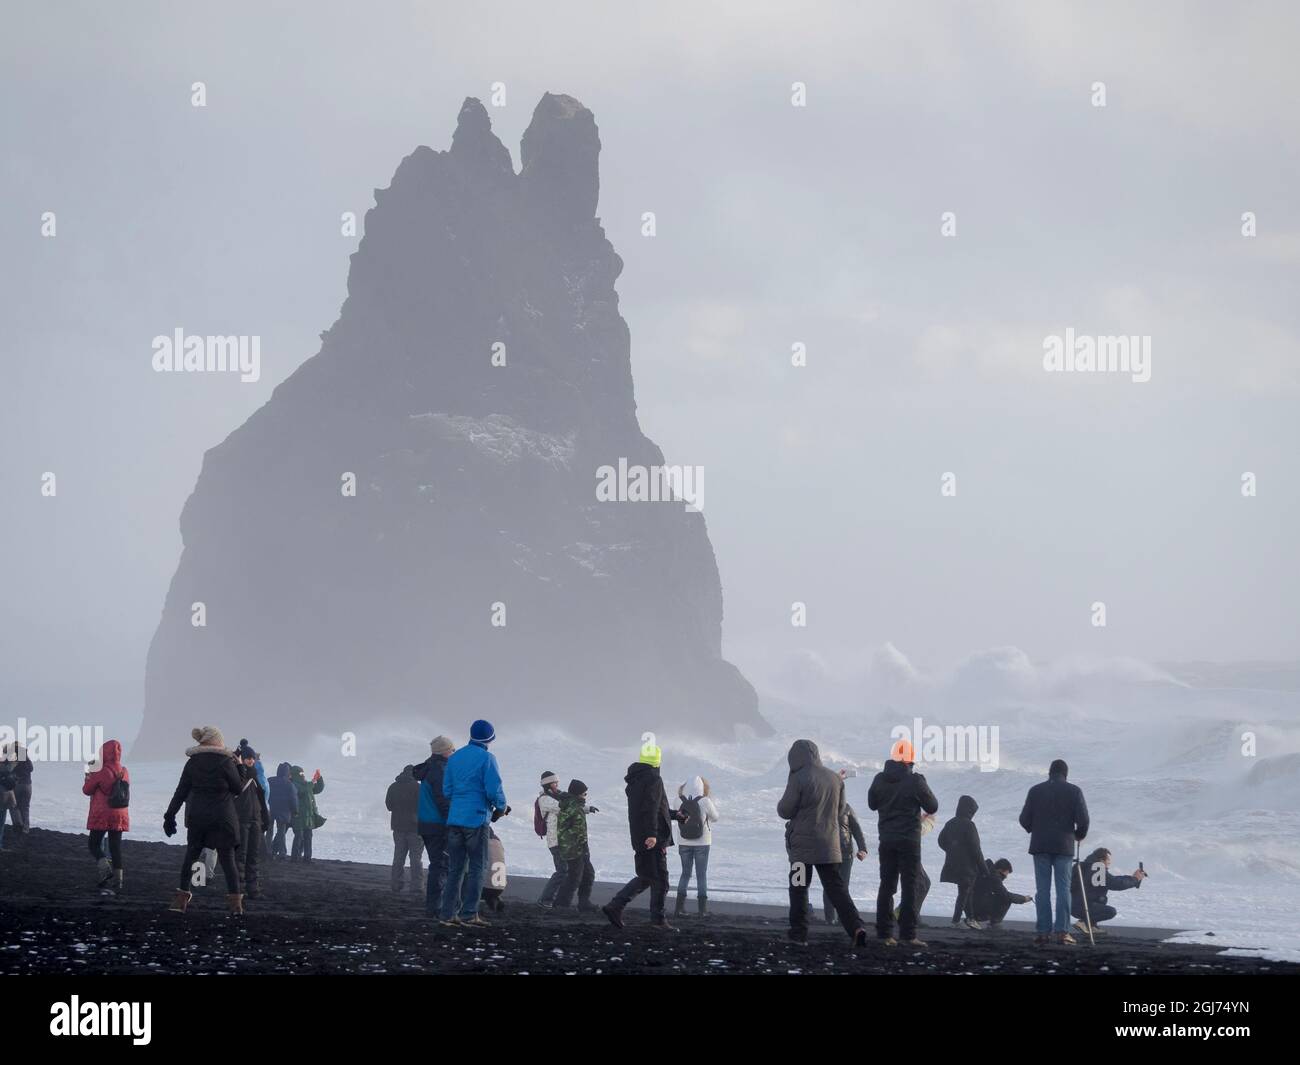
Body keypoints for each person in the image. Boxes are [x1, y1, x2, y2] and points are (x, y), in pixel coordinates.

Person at [778, 739, 869, 947]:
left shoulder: (799, 777)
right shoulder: (835, 779)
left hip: (802, 851)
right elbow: (840, 811)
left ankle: (799, 935)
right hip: (829, 847)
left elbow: (785, 810)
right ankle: (856, 927)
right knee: (837, 889)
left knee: (799, 887)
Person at [602, 742, 687, 930]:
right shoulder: (653, 779)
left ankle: (619, 907)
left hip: (640, 835)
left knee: (648, 876)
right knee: (659, 879)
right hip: (652, 838)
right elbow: (650, 808)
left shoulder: (636, 779)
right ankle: (652, 918)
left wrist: (675, 815)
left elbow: (655, 807)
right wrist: (652, 835)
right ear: (657, 761)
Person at [163, 727, 243, 915]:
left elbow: (181, 792)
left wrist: (170, 815)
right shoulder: (226, 762)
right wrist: (240, 766)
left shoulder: (192, 763)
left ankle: (180, 902)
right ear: (218, 741)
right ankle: (236, 906)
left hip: (198, 817)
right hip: (222, 818)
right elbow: (238, 788)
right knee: (227, 860)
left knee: (191, 857)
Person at [867, 739, 938, 946]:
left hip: (887, 839)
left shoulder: (879, 779)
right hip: (909, 841)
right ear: (910, 761)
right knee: (909, 887)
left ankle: (884, 934)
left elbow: (872, 804)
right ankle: (908, 935)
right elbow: (932, 806)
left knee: (887, 886)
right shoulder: (915, 780)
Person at [439, 720, 508, 927]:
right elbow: (493, 789)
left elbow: (447, 791)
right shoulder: (488, 758)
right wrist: (501, 807)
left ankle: (447, 914)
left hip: (455, 819)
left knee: (456, 868)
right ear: (489, 739)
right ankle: (469, 913)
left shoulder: (455, 757)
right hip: (476, 819)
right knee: (478, 867)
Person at [1018, 758, 1090, 946]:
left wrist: (1036, 829)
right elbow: (1083, 820)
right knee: (1063, 890)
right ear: (1066, 774)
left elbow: (1024, 819)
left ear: (1049, 772)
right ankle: (1062, 932)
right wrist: (1079, 835)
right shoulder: (1074, 791)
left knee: (1042, 890)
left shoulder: (1035, 791)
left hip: (1040, 845)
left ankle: (1043, 932)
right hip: (1064, 846)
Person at [82, 739, 129, 893]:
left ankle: (105, 869)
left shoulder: (102, 771)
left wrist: (89, 776)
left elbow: (87, 790)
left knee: (94, 844)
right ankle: (119, 881)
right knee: (115, 847)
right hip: (120, 812)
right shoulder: (124, 771)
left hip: (103, 812)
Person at [414, 736, 454, 918]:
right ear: (444, 751)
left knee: (438, 865)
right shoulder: (439, 770)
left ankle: (434, 905)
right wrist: (452, 823)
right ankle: (435, 907)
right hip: (438, 825)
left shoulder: (430, 768)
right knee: (441, 866)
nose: (453, 753)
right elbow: (443, 801)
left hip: (427, 825)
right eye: (451, 750)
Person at [822, 770, 866, 926]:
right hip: (827, 853)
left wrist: (863, 849)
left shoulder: (847, 808)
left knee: (843, 887)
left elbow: (857, 830)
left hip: (846, 853)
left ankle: (843, 918)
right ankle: (829, 918)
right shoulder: (822, 808)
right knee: (829, 886)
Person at [1071, 847, 1145, 935]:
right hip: (1083, 907)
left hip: (1073, 905)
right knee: (1110, 911)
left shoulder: (1082, 866)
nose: (1109, 862)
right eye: (1108, 859)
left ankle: (1090, 925)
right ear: (1101, 860)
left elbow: (1111, 879)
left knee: (1098, 897)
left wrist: (1132, 878)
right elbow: (1115, 884)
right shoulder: (1097, 869)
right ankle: (1083, 923)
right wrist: (1135, 879)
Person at [938, 794, 986, 929]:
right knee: (964, 892)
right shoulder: (970, 825)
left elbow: (941, 841)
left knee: (966, 891)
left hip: (953, 863)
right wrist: (984, 869)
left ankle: (970, 919)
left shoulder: (950, 823)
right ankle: (956, 921)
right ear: (969, 811)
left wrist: (952, 850)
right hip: (967, 866)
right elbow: (976, 849)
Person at [675, 775, 719, 918]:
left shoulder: (677, 801)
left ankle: (679, 908)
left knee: (685, 873)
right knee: (701, 875)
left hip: (683, 842)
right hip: (702, 842)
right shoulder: (705, 801)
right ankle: (702, 910)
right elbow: (715, 817)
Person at [551, 779, 597, 914]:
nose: (585, 796)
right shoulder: (573, 807)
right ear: (578, 794)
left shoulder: (573, 805)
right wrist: (580, 846)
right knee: (574, 877)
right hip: (574, 849)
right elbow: (569, 830)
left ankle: (584, 903)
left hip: (578, 847)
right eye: (584, 794)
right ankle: (561, 904)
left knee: (588, 874)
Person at [234, 741, 271, 899]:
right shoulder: (237, 774)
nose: (250, 760)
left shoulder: (256, 776)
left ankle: (253, 890)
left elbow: (262, 799)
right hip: (241, 820)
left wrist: (265, 818)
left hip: (255, 820)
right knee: (240, 856)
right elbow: (234, 790)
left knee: (253, 856)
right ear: (242, 759)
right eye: (247, 757)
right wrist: (239, 766)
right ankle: (239, 890)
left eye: (252, 758)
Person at [386, 763, 424, 895]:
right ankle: (416, 886)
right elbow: (423, 807)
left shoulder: (393, 787)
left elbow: (389, 806)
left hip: (398, 826)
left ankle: (396, 884)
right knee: (416, 858)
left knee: (398, 856)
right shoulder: (418, 788)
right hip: (415, 828)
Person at [534, 771, 567, 907]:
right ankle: (545, 899)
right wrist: (585, 808)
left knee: (565, 870)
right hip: (555, 840)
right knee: (562, 870)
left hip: (561, 839)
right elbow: (564, 808)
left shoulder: (556, 796)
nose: (557, 784)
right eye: (554, 782)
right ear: (548, 784)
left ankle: (554, 899)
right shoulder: (545, 800)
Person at [971, 858, 1033, 926]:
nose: (1006, 877)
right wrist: (1023, 899)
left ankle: (974, 917)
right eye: (1006, 874)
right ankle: (994, 922)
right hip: (977, 908)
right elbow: (1005, 895)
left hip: (969, 905)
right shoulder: (993, 877)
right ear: (1000, 870)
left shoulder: (984, 870)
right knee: (1006, 900)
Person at [289, 765, 325, 861]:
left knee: (308, 837)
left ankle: (307, 858)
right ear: (295, 775)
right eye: (300, 773)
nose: (303, 775)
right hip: (298, 816)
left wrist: (319, 778)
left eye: (303, 773)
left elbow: (318, 789)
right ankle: (294, 858)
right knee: (299, 837)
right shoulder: (293, 785)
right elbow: (301, 791)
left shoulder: (306, 784)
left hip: (308, 816)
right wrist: (313, 781)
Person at [267, 762, 298, 859]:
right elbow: (293, 799)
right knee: (281, 832)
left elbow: (264, 792)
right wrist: (295, 811)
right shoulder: (289, 784)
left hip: (270, 808)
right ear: (287, 772)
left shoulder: (270, 780)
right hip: (283, 811)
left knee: (269, 831)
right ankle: (282, 853)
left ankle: (267, 851)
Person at [480, 826, 508, 913]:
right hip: (500, 887)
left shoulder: (480, 840)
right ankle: (496, 899)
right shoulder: (498, 841)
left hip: (483, 888)